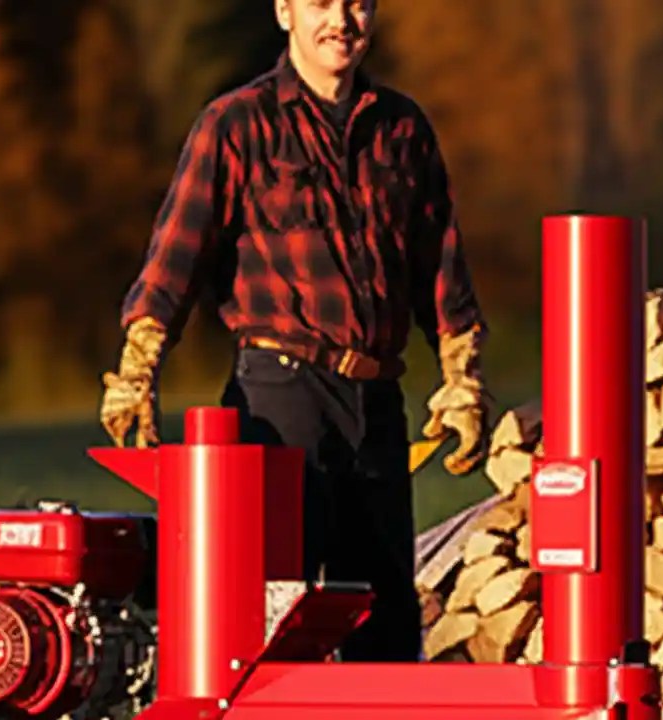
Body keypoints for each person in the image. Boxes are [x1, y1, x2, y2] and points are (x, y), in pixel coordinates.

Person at [99, 0, 490, 662]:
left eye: (358, 2)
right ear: (284, 12)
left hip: (378, 407)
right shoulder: (235, 126)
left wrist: (462, 380)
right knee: (277, 618)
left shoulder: (403, 129)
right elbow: (173, 264)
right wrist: (136, 372)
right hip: (281, 405)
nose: (341, 19)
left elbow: (441, 271)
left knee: (386, 618)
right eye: (320, 3)